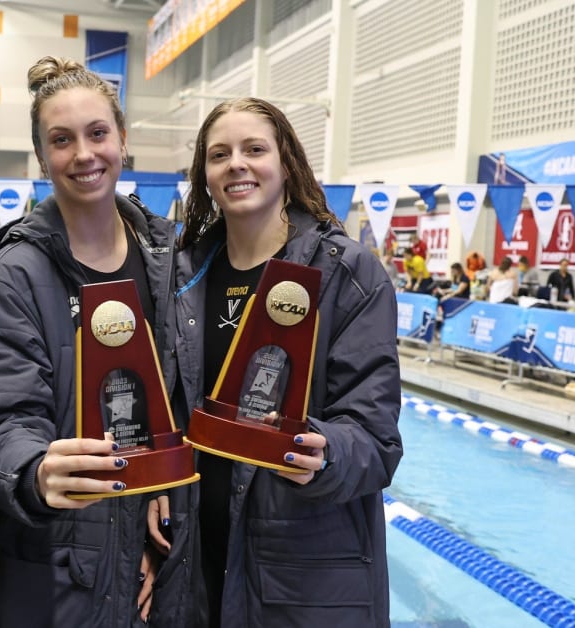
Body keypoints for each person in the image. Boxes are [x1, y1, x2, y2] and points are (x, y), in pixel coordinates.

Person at [0, 56, 197, 626]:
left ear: (123, 138)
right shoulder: (14, 273)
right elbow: (4, 417)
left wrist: (162, 495)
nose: (84, 154)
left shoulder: (166, 258)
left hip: (155, 559)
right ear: (43, 158)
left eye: (97, 134)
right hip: (56, 562)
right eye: (62, 141)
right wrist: (36, 471)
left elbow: (179, 400)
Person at [168, 97, 402, 626]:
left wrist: (327, 452)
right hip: (194, 560)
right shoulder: (182, 276)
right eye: (219, 154)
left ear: (286, 162)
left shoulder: (348, 273)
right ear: (204, 174)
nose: (237, 164)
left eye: (255, 149)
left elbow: (377, 437)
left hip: (301, 562)